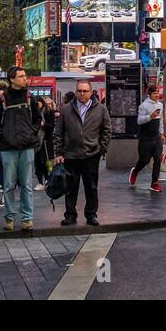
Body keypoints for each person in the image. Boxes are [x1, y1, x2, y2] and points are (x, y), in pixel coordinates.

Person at [54, 80, 111, 226]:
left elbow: (106, 131)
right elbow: (59, 132)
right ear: (76, 92)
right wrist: (59, 152)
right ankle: (70, 215)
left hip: (91, 155)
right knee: (71, 187)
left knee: (91, 186)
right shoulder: (66, 109)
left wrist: (101, 149)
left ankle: (91, 214)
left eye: (85, 91)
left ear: (91, 92)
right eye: (79, 91)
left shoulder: (101, 109)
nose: (82, 94)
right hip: (71, 154)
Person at [0, 68, 44, 232]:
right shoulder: (2, 98)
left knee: (26, 184)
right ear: (12, 79)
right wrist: (4, 135)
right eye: (22, 76)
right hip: (8, 147)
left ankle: (27, 218)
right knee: (9, 185)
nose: (25, 79)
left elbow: (38, 119)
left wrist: (31, 132)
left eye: (25, 76)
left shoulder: (30, 97)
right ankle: (9, 217)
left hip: (26, 146)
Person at [129, 85, 165, 193]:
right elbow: (139, 121)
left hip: (156, 136)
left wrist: (161, 133)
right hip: (145, 137)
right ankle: (135, 171)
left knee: (158, 159)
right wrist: (150, 116)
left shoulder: (160, 105)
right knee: (145, 160)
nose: (157, 95)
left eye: (157, 93)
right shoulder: (143, 106)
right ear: (149, 94)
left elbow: (161, 120)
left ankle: (154, 183)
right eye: (154, 93)